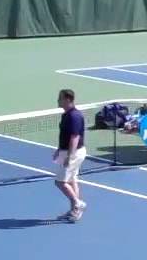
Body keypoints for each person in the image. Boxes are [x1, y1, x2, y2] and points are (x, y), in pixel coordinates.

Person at [51, 88, 87, 222]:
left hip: (74, 153)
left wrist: (69, 157)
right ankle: (74, 210)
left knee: (60, 182)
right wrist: (59, 149)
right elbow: (65, 136)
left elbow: (74, 137)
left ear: (67, 99)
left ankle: (78, 203)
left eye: (60, 98)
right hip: (70, 151)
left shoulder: (74, 116)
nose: (57, 100)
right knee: (72, 180)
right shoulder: (66, 115)